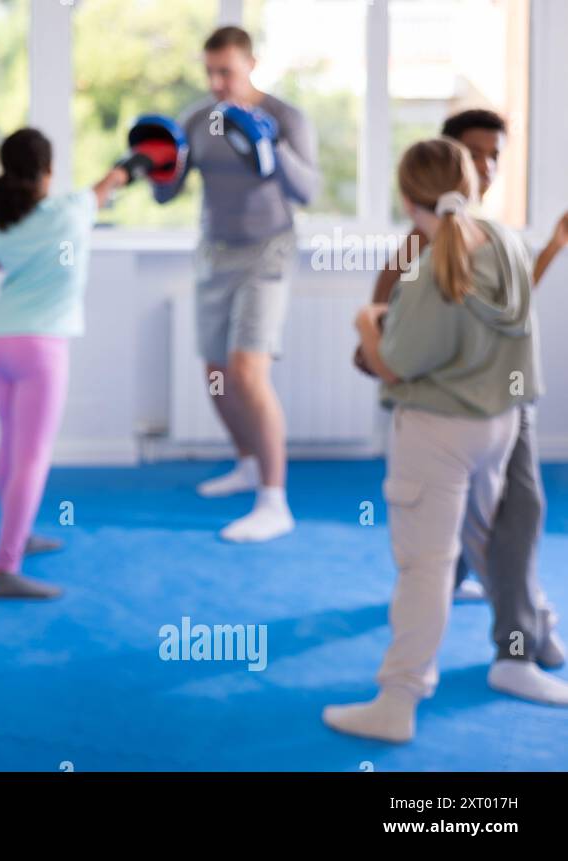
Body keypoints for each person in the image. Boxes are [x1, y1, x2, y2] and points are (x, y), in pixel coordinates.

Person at [325, 138, 568, 745]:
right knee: (486, 545)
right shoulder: (510, 242)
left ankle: (398, 700)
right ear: (473, 179)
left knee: (423, 568)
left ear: (408, 200)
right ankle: (521, 648)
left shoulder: (433, 266)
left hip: (436, 432)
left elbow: (394, 365)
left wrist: (365, 321)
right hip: (500, 425)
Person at [0, 127, 128, 599]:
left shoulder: (2, 225)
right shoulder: (71, 210)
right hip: (42, 348)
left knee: (12, 446)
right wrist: (132, 166)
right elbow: (111, 183)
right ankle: (5, 568)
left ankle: (16, 536)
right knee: (33, 458)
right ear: (48, 171)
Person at [154, 25, 320, 542]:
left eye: (226, 71)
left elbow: (309, 189)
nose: (217, 82)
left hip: (268, 251)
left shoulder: (287, 117)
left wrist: (268, 143)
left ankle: (275, 501)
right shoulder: (199, 121)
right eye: (210, 71)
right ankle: (246, 463)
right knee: (217, 373)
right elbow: (167, 195)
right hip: (214, 252)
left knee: (248, 370)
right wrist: (155, 161)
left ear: (251, 64)